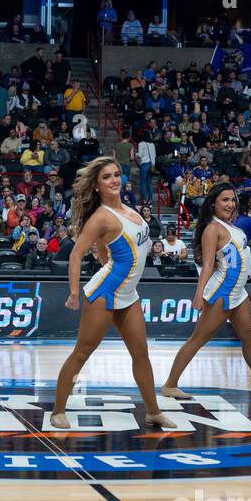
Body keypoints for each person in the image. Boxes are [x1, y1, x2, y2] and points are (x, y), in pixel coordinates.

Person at [49, 156, 174, 431]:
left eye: (116, 174)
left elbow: (107, 247)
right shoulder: (101, 217)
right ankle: (57, 411)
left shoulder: (127, 209)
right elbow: (76, 254)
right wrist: (73, 292)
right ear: (95, 186)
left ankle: (153, 411)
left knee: (141, 353)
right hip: (105, 292)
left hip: (128, 293)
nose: (114, 180)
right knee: (82, 352)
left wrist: (106, 258)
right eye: (106, 177)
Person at [160, 185, 251, 400]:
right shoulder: (212, 229)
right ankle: (170, 385)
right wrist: (199, 295)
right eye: (224, 200)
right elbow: (208, 266)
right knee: (197, 339)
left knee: (250, 339)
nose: (230, 204)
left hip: (238, 292)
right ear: (213, 203)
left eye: (232, 200)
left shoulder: (232, 227)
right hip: (222, 292)